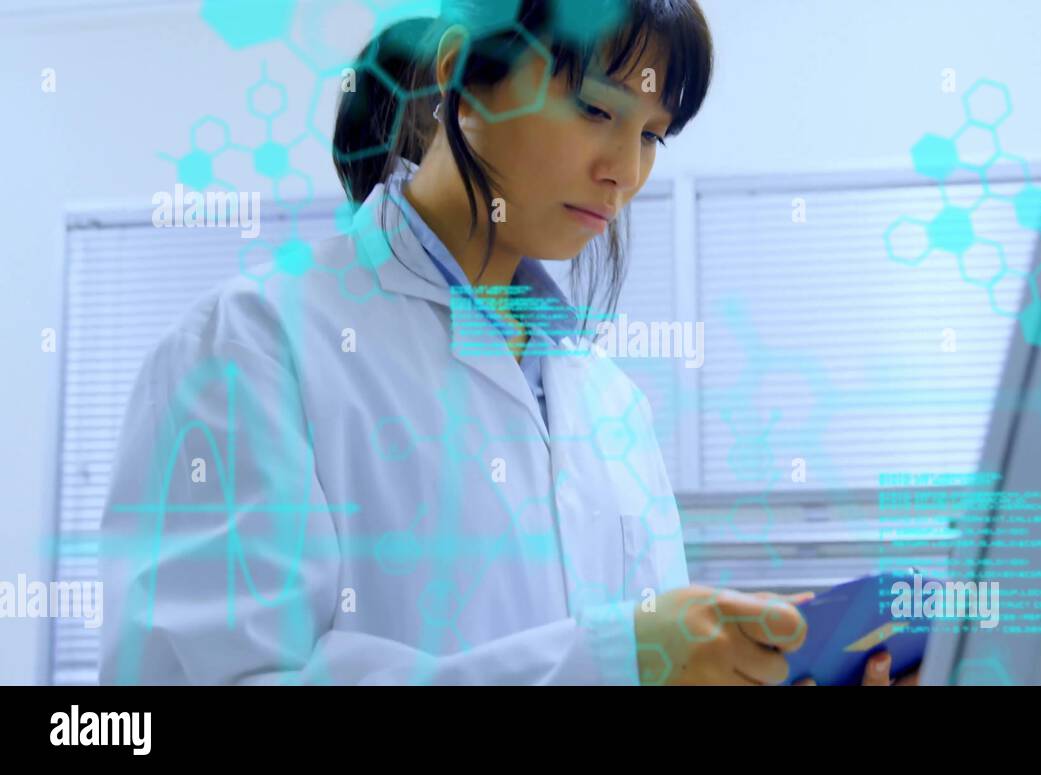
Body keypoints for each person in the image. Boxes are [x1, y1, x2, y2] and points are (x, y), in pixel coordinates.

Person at [99, 0, 912, 686]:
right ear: (463, 74)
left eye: (652, 135)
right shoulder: (254, 345)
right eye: (596, 110)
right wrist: (606, 661)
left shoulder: (608, 403)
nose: (623, 171)